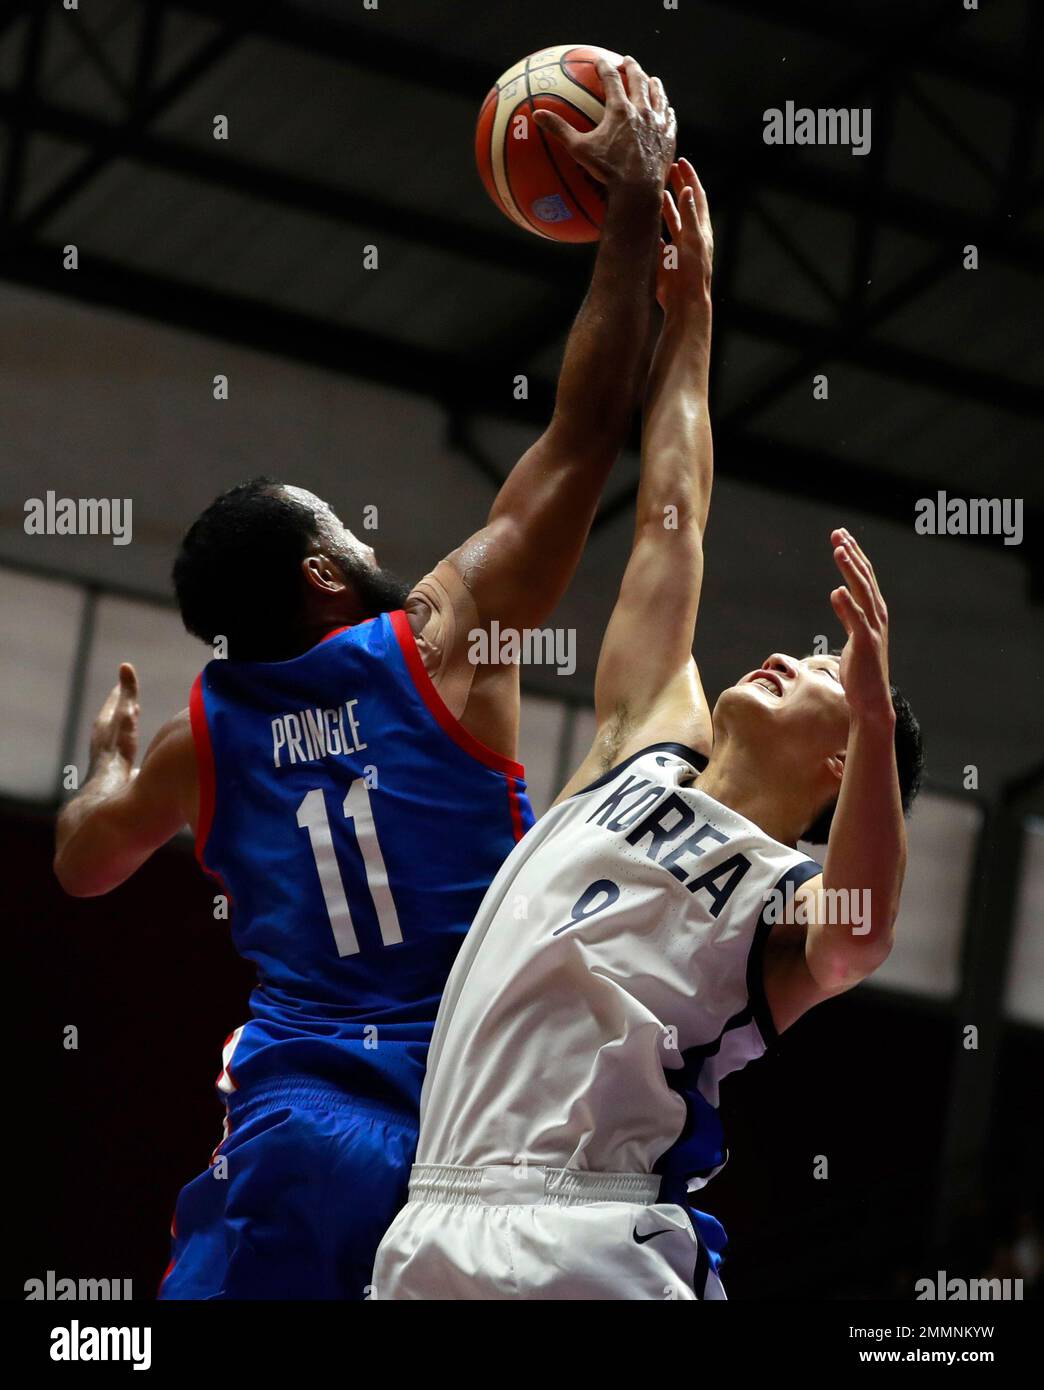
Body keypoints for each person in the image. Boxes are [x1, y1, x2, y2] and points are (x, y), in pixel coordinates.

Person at [52, 57, 677, 1300]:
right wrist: (628, 214)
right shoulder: (444, 640)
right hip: (472, 1130)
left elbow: (82, 864)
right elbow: (585, 429)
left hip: (297, 1117)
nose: (363, 538)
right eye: (342, 526)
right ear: (324, 574)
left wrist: (109, 770)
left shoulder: (199, 739)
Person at [371, 160, 924, 1301]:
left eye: (825, 672)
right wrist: (694, 315)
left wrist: (875, 710)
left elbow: (862, 940)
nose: (792, 657)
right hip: (432, 1218)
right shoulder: (645, 736)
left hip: (591, 1234)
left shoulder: (788, 897)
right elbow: (676, 514)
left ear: (843, 765)